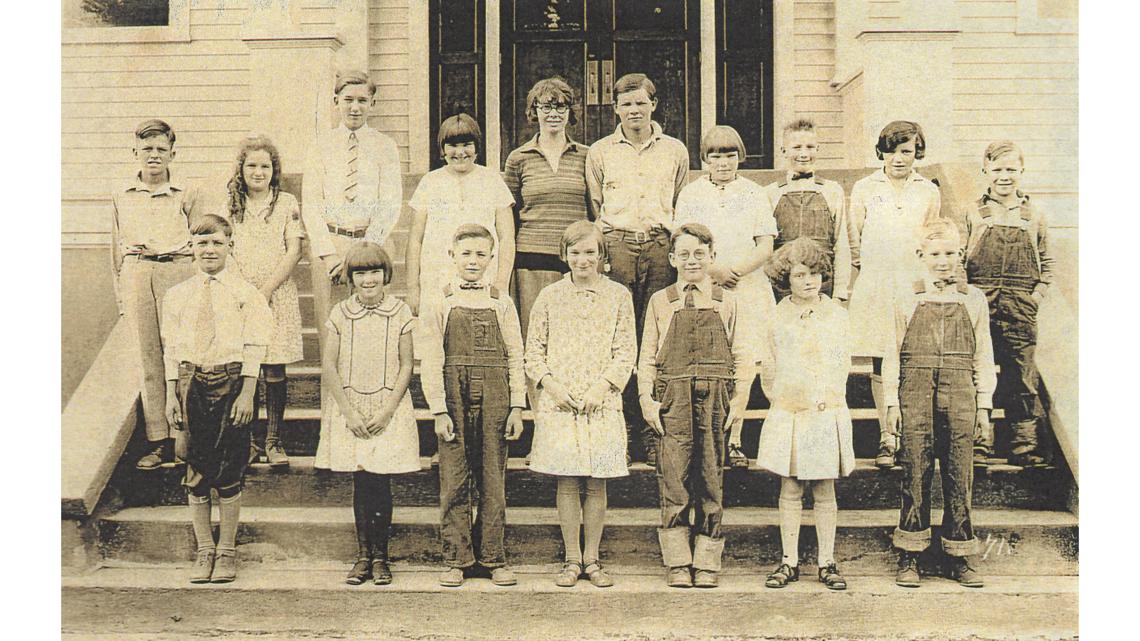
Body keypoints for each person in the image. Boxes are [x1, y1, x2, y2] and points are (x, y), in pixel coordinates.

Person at [637, 223, 752, 588]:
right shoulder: (661, 301)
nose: (691, 261)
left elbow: (743, 354)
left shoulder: (725, 300)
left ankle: (706, 560)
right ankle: (676, 560)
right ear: (672, 259)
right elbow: (647, 358)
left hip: (716, 396)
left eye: (699, 254)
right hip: (672, 397)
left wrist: (741, 398)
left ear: (711, 257)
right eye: (684, 254)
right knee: (674, 478)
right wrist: (646, 400)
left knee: (711, 477)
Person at [883, 218, 995, 589]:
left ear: (960, 254)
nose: (942, 261)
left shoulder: (973, 298)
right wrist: (891, 404)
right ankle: (910, 554)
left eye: (949, 253)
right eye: (934, 254)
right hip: (915, 389)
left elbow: (983, 354)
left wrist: (984, 405)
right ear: (921, 256)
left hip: (961, 390)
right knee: (915, 469)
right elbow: (891, 354)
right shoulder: (907, 296)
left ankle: (958, 555)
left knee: (959, 471)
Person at [160, 214, 273, 584]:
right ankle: (204, 548)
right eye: (202, 242)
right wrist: (171, 396)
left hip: (230, 381)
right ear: (191, 246)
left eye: (217, 242)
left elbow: (255, 345)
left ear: (230, 246)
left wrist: (247, 393)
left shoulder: (246, 294)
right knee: (196, 469)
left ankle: (226, 550)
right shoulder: (178, 295)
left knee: (228, 469)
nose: (209, 249)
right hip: (191, 381)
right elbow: (171, 350)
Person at [524, 221, 636, 588]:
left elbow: (625, 352)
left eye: (590, 252)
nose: (582, 259)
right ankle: (571, 558)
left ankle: (593, 559)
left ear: (602, 255)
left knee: (596, 482)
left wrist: (600, 389)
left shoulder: (618, 295)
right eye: (575, 252)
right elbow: (534, 353)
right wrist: (553, 388)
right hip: (562, 402)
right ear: (564, 255)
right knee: (568, 480)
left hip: (599, 402)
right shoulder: (549, 296)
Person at [585, 72, 689, 465]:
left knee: (657, 338)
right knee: (620, 338)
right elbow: (596, 206)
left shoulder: (675, 150)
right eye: (626, 104)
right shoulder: (601, 152)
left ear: (654, 105)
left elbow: (679, 199)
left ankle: (652, 430)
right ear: (615, 109)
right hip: (618, 248)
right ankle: (622, 430)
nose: (634, 110)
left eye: (641, 103)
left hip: (661, 247)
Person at [419, 224, 526, 587]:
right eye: (466, 253)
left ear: (491, 258)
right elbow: (431, 358)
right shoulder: (441, 300)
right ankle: (457, 558)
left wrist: (517, 406)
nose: (473, 261)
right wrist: (438, 409)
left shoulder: (501, 301)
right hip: (454, 396)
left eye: (481, 254)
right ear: (452, 256)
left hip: (496, 395)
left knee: (493, 479)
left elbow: (516, 355)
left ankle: (493, 555)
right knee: (454, 478)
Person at [316, 241, 420, 586]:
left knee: (381, 481)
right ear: (351, 277)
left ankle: (382, 557)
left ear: (386, 274)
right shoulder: (340, 314)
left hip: (387, 408)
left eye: (375, 271)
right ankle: (363, 555)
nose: (368, 279)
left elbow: (406, 365)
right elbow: (328, 366)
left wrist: (388, 410)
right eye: (360, 273)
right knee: (361, 481)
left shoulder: (400, 312)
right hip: (353, 409)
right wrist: (348, 412)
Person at [757, 238, 855, 591]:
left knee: (825, 488)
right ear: (787, 278)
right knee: (792, 486)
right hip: (791, 412)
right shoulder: (776, 317)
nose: (809, 281)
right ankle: (789, 560)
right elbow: (769, 366)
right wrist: (786, 399)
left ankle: (827, 561)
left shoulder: (837, 316)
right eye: (800, 274)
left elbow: (841, 362)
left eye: (815, 273)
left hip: (824, 411)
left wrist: (824, 398)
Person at [674, 125, 775, 468]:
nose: (723, 162)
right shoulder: (691, 194)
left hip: (746, 287)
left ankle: (734, 438)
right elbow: (685, 240)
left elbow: (765, 245)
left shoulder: (754, 193)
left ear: (740, 157)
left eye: (730, 154)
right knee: (713, 360)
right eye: (715, 155)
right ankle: (708, 438)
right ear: (704, 158)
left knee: (744, 360)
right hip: (707, 286)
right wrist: (714, 271)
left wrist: (736, 271)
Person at [846, 121, 942, 470]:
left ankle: (909, 436)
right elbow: (853, 236)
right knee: (879, 357)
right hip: (876, 282)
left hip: (912, 286)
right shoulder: (865, 188)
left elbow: (931, 236)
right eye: (891, 150)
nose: (898, 158)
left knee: (909, 357)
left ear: (917, 152)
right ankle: (887, 436)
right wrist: (866, 271)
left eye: (906, 150)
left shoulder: (928, 191)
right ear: (881, 152)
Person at [110, 119, 203, 470]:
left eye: (161, 149)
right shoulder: (121, 194)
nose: (153, 155)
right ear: (135, 152)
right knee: (148, 359)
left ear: (172, 154)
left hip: (177, 271)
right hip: (137, 271)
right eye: (147, 149)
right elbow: (115, 251)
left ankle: (188, 437)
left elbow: (201, 241)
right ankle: (159, 441)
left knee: (181, 353)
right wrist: (122, 298)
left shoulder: (187, 192)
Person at [965, 141, 1055, 468]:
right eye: (998, 169)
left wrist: (1036, 296)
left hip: (1020, 306)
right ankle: (978, 444)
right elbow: (962, 260)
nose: (1005, 177)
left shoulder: (1034, 214)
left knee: (1022, 377)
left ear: (1022, 171)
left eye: (1011, 170)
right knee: (978, 372)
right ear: (985, 171)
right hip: (981, 301)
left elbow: (1047, 262)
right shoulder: (975, 211)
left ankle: (1024, 447)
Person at [301, 70, 403, 356]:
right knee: (331, 333)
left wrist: (363, 250)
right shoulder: (321, 146)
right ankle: (331, 400)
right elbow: (311, 203)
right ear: (336, 101)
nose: (355, 107)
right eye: (348, 100)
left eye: (362, 100)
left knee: (370, 331)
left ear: (373, 103)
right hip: (330, 247)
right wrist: (329, 253)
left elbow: (390, 202)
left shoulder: (385, 146)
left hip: (372, 245)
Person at [222, 135, 303, 467]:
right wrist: (242, 290)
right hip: (238, 295)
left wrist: (266, 290)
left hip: (276, 294)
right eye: (251, 165)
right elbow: (223, 248)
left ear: (275, 170)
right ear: (241, 169)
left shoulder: (285, 203)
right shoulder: (229, 204)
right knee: (244, 366)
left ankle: (274, 440)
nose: (258, 172)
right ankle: (249, 441)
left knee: (273, 365)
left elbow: (295, 250)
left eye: (265, 166)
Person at [503, 77, 591, 339]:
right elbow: (509, 214)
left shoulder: (588, 155)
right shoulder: (518, 158)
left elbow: (595, 208)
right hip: (532, 260)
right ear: (534, 111)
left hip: (576, 260)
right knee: (536, 334)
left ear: (570, 112)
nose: (553, 114)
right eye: (546, 107)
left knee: (574, 334)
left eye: (561, 107)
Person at [406, 114, 516, 319]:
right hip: (437, 275)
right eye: (452, 145)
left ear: (477, 147)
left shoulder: (492, 180)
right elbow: (415, 239)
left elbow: (507, 237)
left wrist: (502, 282)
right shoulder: (430, 182)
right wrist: (413, 287)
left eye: (467, 144)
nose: (460, 152)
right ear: (442, 148)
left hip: (482, 274)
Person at [765, 119, 850, 303]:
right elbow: (765, 249)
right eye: (797, 147)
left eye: (810, 147)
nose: (803, 154)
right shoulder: (771, 193)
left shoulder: (832, 190)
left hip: (822, 285)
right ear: (783, 151)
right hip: (781, 288)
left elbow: (841, 244)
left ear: (818, 149)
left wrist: (840, 293)